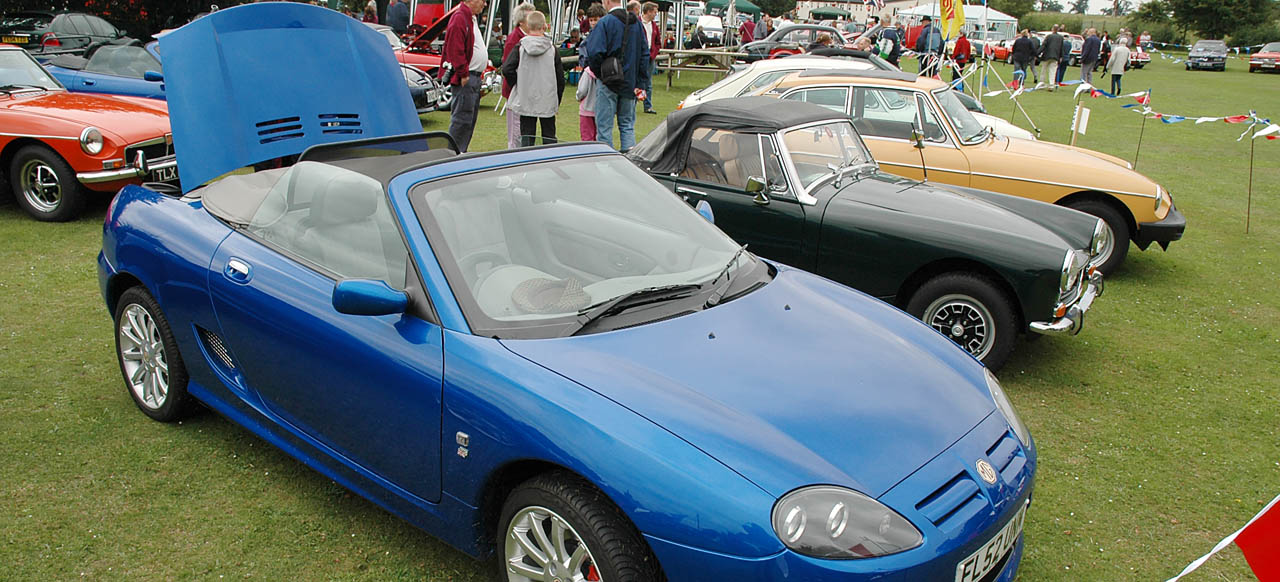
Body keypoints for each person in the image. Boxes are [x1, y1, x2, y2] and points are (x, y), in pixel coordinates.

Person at [582, 0, 650, 151]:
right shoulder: (637, 24)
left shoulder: (605, 23)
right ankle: (629, 160)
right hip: (630, 81)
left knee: (604, 128)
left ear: (606, 2)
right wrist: (640, 81)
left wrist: (601, 74)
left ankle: (606, 165)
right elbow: (645, 54)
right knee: (627, 125)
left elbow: (594, 52)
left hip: (608, 80)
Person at [503, 11, 565, 147]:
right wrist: (557, 99)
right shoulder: (552, 50)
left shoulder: (520, 47)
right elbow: (560, 79)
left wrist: (519, 84)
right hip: (547, 98)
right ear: (545, 26)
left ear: (528, 26)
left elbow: (507, 69)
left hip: (526, 97)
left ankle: (527, 163)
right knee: (549, 136)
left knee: (527, 136)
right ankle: (550, 162)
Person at [442, 0, 488, 152]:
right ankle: (452, 155)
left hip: (473, 77)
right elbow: (455, 48)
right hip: (466, 78)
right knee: (462, 120)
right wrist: (463, 74)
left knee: (468, 120)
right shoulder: (460, 18)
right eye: (482, 0)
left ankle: (460, 153)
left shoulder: (469, 18)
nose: (485, 4)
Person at [502, 3, 537, 149]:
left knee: (525, 131)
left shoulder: (530, 37)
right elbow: (507, 67)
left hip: (527, 93)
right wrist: (519, 84)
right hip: (515, 93)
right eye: (530, 17)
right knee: (516, 134)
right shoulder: (514, 38)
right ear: (521, 21)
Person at [640, 2, 660, 114]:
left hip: (650, 57)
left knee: (648, 83)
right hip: (638, 57)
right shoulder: (637, 23)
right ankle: (631, 105)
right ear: (648, 11)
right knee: (635, 81)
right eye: (654, 12)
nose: (655, 14)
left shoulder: (654, 26)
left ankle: (647, 106)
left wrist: (653, 54)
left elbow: (658, 43)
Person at [576, 65, 598, 141]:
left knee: (587, 138)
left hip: (586, 108)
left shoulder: (587, 71)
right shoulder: (606, 69)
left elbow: (582, 90)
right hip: (601, 109)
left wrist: (578, 97)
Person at [1038, 24, 1063, 91]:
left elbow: (1043, 46)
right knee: (1053, 71)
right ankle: (1051, 85)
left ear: (1052, 29)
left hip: (1047, 56)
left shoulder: (1049, 37)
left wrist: (1037, 53)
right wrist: (1061, 56)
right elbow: (1061, 48)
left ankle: (1041, 84)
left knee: (1043, 70)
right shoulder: (1061, 38)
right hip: (1056, 56)